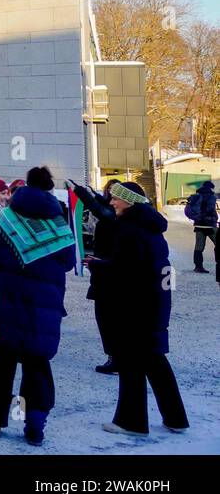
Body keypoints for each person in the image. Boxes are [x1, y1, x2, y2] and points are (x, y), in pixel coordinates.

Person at [0, 166, 76, 446]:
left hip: (4, 301)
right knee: (37, 366)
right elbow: (68, 261)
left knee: (0, 365)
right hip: (43, 307)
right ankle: (33, 426)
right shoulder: (58, 222)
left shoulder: (5, 219)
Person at [88, 182, 188, 436]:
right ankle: (175, 418)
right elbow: (148, 268)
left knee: (131, 362)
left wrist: (99, 266)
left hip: (134, 306)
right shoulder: (151, 228)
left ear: (130, 202)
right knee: (155, 361)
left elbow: (127, 273)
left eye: (116, 199)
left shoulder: (130, 230)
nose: (111, 202)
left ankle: (131, 422)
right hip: (154, 303)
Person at [70, 178, 122, 375]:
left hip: (109, 273)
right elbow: (102, 206)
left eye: (115, 194)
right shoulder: (117, 212)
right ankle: (115, 356)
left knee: (109, 318)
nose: (111, 197)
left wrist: (81, 192)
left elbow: (100, 211)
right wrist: (93, 193)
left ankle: (116, 357)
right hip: (103, 270)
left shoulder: (116, 216)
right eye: (109, 191)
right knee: (106, 318)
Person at [183, 180, 218, 276]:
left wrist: (199, 217)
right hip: (209, 224)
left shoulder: (196, 196)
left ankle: (198, 266)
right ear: (210, 187)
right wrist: (212, 218)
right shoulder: (211, 196)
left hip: (198, 225)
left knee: (199, 246)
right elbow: (210, 209)